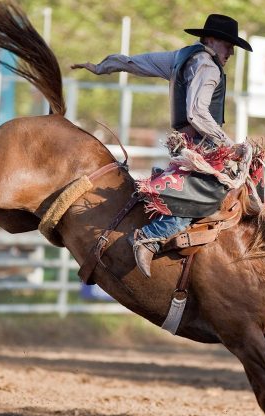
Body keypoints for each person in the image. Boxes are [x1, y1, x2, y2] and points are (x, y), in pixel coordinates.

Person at [72, 14, 253, 278]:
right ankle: (150, 237)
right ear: (212, 40)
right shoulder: (208, 67)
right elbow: (196, 113)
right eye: (228, 46)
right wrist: (229, 144)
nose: (232, 53)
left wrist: (105, 66)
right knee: (205, 196)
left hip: (188, 146)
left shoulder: (181, 56)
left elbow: (137, 62)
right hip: (199, 149)